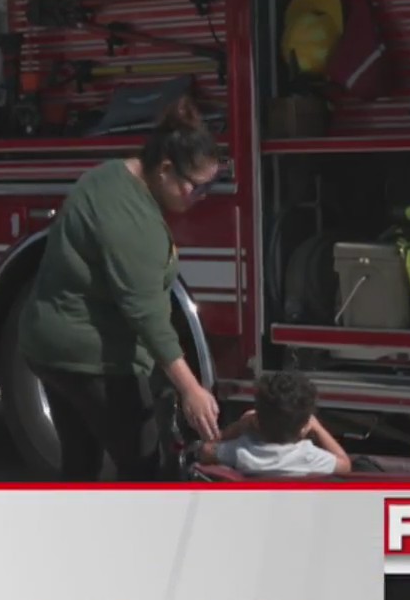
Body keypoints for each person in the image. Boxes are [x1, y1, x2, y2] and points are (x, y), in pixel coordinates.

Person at [17, 97, 225, 481]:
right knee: (145, 471)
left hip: (47, 348)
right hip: (91, 359)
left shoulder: (110, 175)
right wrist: (191, 390)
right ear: (165, 170)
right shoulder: (134, 223)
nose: (202, 197)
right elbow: (147, 316)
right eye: (196, 187)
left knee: (81, 465)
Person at [197, 370, 352, 477]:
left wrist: (241, 425)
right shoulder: (310, 457)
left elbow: (206, 449)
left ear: (256, 421)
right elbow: (345, 464)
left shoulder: (242, 451)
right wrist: (317, 428)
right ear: (304, 428)